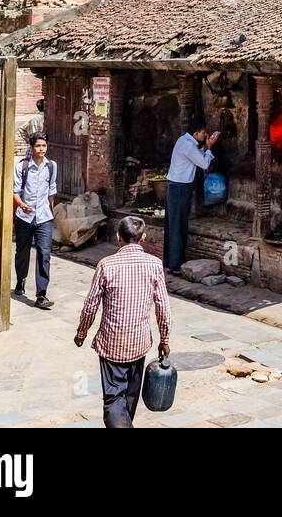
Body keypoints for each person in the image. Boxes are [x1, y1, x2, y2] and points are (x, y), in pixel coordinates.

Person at [74, 216, 171, 428]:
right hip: (139, 341)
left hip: (112, 342)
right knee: (130, 396)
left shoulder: (106, 265)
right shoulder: (154, 265)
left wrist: (81, 333)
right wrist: (164, 338)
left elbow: (91, 305)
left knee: (113, 398)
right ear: (143, 238)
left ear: (119, 238)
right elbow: (163, 305)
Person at [164, 121, 218, 274]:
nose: (205, 135)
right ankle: (175, 265)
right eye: (203, 133)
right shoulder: (188, 146)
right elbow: (204, 163)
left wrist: (205, 147)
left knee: (173, 224)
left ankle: (170, 262)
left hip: (175, 186)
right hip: (180, 188)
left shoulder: (183, 140)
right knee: (178, 225)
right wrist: (209, 147)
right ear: (195, 133)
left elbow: (198, 155)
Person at [13, 133, 58, 309]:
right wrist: (22, 205)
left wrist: (50, 208)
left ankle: (41, 295)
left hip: (44, 217)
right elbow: (15, 191)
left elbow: (52, 190)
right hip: (25, 216)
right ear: (32, 147)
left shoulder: (52, 166)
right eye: (38, 146)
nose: (41, 149)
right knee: (22, 252)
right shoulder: (22, 166)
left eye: (44, 146)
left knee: (44, 253)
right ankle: (20, 280)